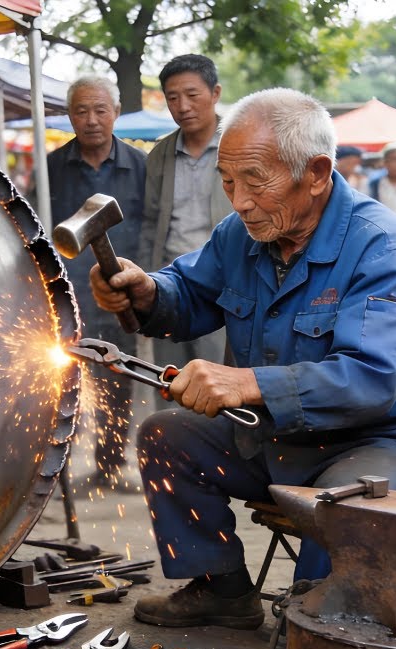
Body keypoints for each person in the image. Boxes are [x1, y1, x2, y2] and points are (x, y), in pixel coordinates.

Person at [89, 87, 396, 630]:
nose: (239, 201)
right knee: (166, 434)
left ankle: (322, 625)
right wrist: (144, 292)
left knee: (341, 509)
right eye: (228, 182)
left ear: (317, 172)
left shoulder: (380, 246)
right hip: (273, 441)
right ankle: (221, 587)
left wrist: (246, 383)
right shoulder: (241, 235)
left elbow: (371, 378)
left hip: (377, 445)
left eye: (256, 181)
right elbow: (187, 294)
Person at [47, 76, 147, 490]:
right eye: (81, 111)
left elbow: (152, 225)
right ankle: (57, 472)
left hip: (119, 293)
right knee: (60, 380)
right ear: (69, 116)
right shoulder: (52, 167)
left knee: (116, 379)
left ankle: (108, 467)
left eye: (100, 110)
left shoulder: (140, 166)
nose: (91, 120)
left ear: (116, 113)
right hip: (66, 295)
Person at [139, 54, 232, 396]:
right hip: (173, 284)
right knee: (171, 381)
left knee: (218, 382)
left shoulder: (237, 145)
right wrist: (151, 283)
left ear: (215, 93)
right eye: (173, 97)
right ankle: (168, 446)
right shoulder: (161, 155)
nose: (183, 106)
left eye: (193, 95)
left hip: (223, 284)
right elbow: (150, 223)